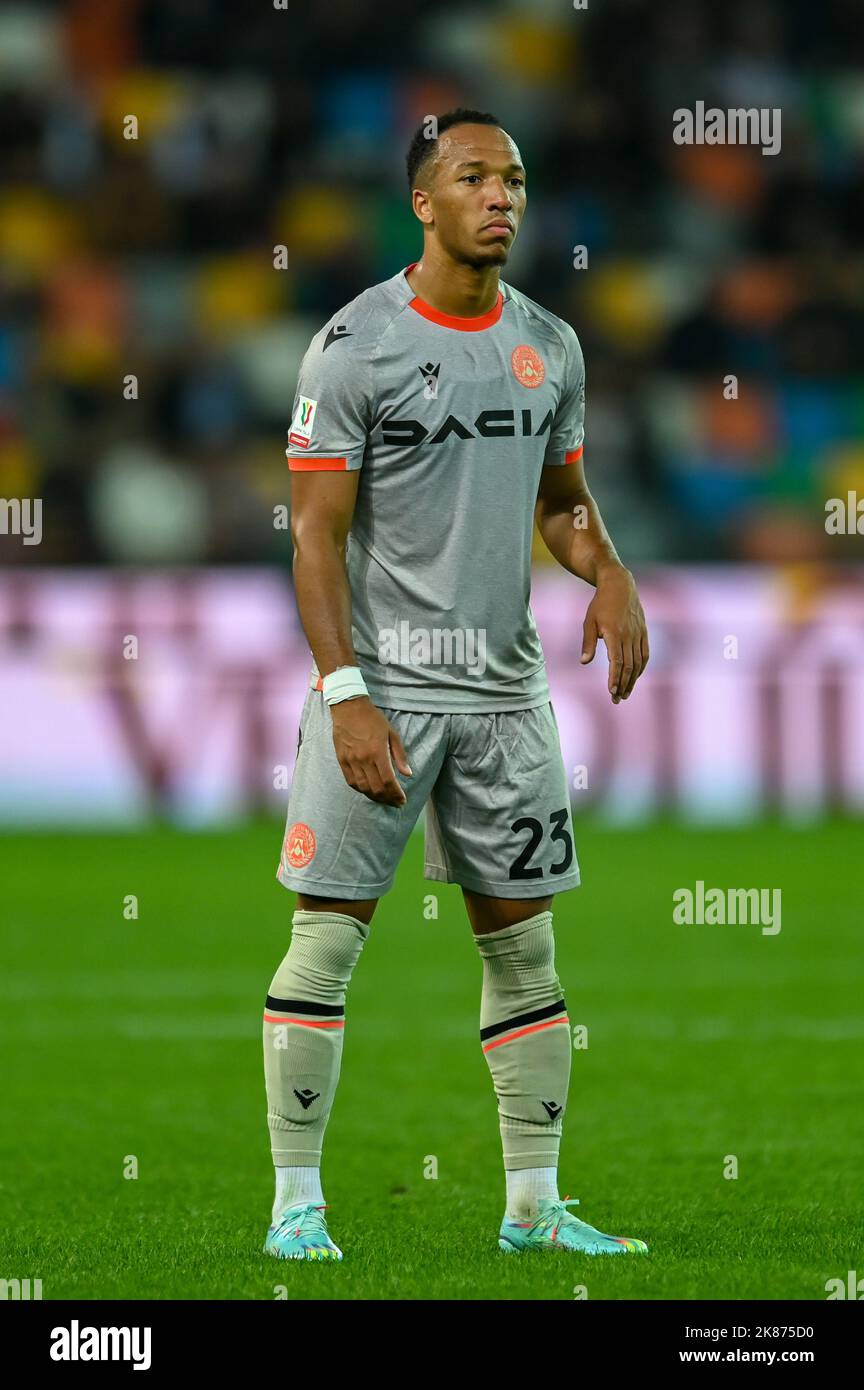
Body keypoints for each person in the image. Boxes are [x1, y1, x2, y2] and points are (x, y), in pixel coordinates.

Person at [262, 109, 650, 1261]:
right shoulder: (353, 347)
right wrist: (345, 694)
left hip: (503, 698)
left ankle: (533, 1209)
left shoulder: (549, 345)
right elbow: (314, 538)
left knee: (525, 952)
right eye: (475, 177)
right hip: (380, 691)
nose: (503, 197)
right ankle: (296, 1207)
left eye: (515, 179)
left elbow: (560, 502)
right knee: (325, 943)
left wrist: (611, 569)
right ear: (422, 203)